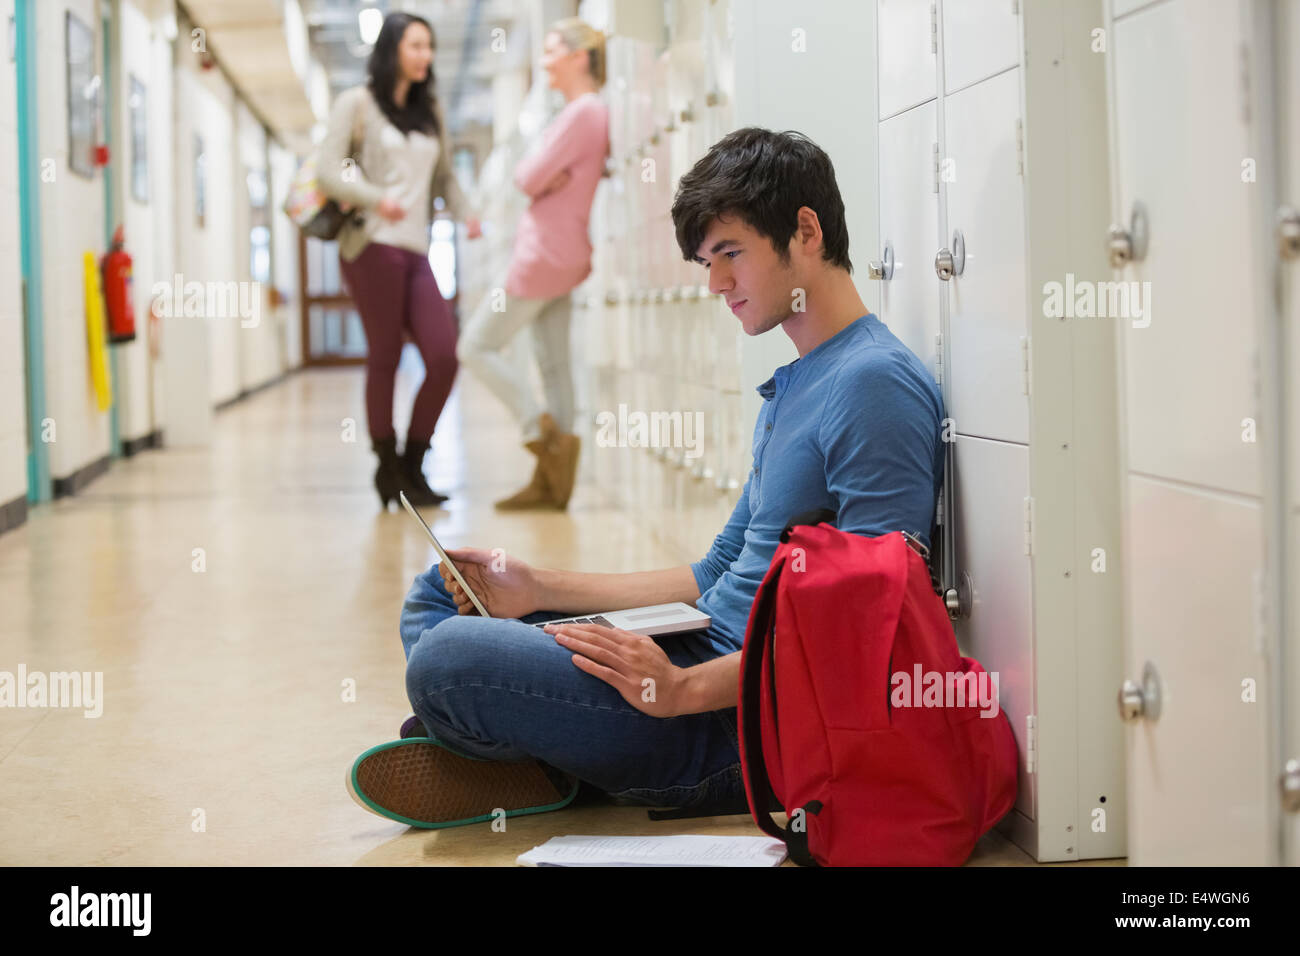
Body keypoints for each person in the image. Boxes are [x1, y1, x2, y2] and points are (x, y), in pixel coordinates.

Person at [345, 128, 948, 828]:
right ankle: (530, 751)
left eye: (731, 255)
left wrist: (682, 688)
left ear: (805, 232)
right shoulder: (802, 379)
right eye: (706, 261)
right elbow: (716, 569)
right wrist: (540, 589)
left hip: (731, 725)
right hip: (691, 649)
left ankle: (525, 752)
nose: (716, 284)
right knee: (443, 598)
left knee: (448, 659)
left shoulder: (874, 384)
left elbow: (872, 627)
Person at [317, 11, 482, 510]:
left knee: (443, 354)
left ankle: (415, 461)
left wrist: (469, 215)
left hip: (415, 249)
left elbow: (446, 178)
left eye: (429, 47)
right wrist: (373, 197)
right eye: (415, 46)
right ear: (392, 49)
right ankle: (387, 469)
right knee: (385, 355)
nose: (425, 56)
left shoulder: (429, 110)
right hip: (371, 245)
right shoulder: (358, 104)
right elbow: (328, 170)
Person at [455, 18, 610, 511]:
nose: (544, 62)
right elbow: (538, 177)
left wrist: (545, 173)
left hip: (542, 257)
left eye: (551, 51)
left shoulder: (582, 113)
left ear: (579, 56)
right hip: (564, 255)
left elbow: (525, 177)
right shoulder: (583, 113)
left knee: (475, 345)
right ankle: (552, 485)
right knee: (555, 365)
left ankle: (535, 427)